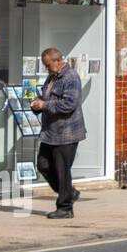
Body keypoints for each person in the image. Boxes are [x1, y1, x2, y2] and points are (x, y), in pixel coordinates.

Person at [31, 47, 85, 219]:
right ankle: (69, 192)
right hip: (50, 132)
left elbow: (69, 104)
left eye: (47, 65)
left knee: (62, 170)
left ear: (57, 61)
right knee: (43, 165)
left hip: (66, 132)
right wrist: (38, 104)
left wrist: (44, 105)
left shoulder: (71, 77)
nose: (46, 68)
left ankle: (65, 208)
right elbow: (49, 99)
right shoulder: (52, 77)